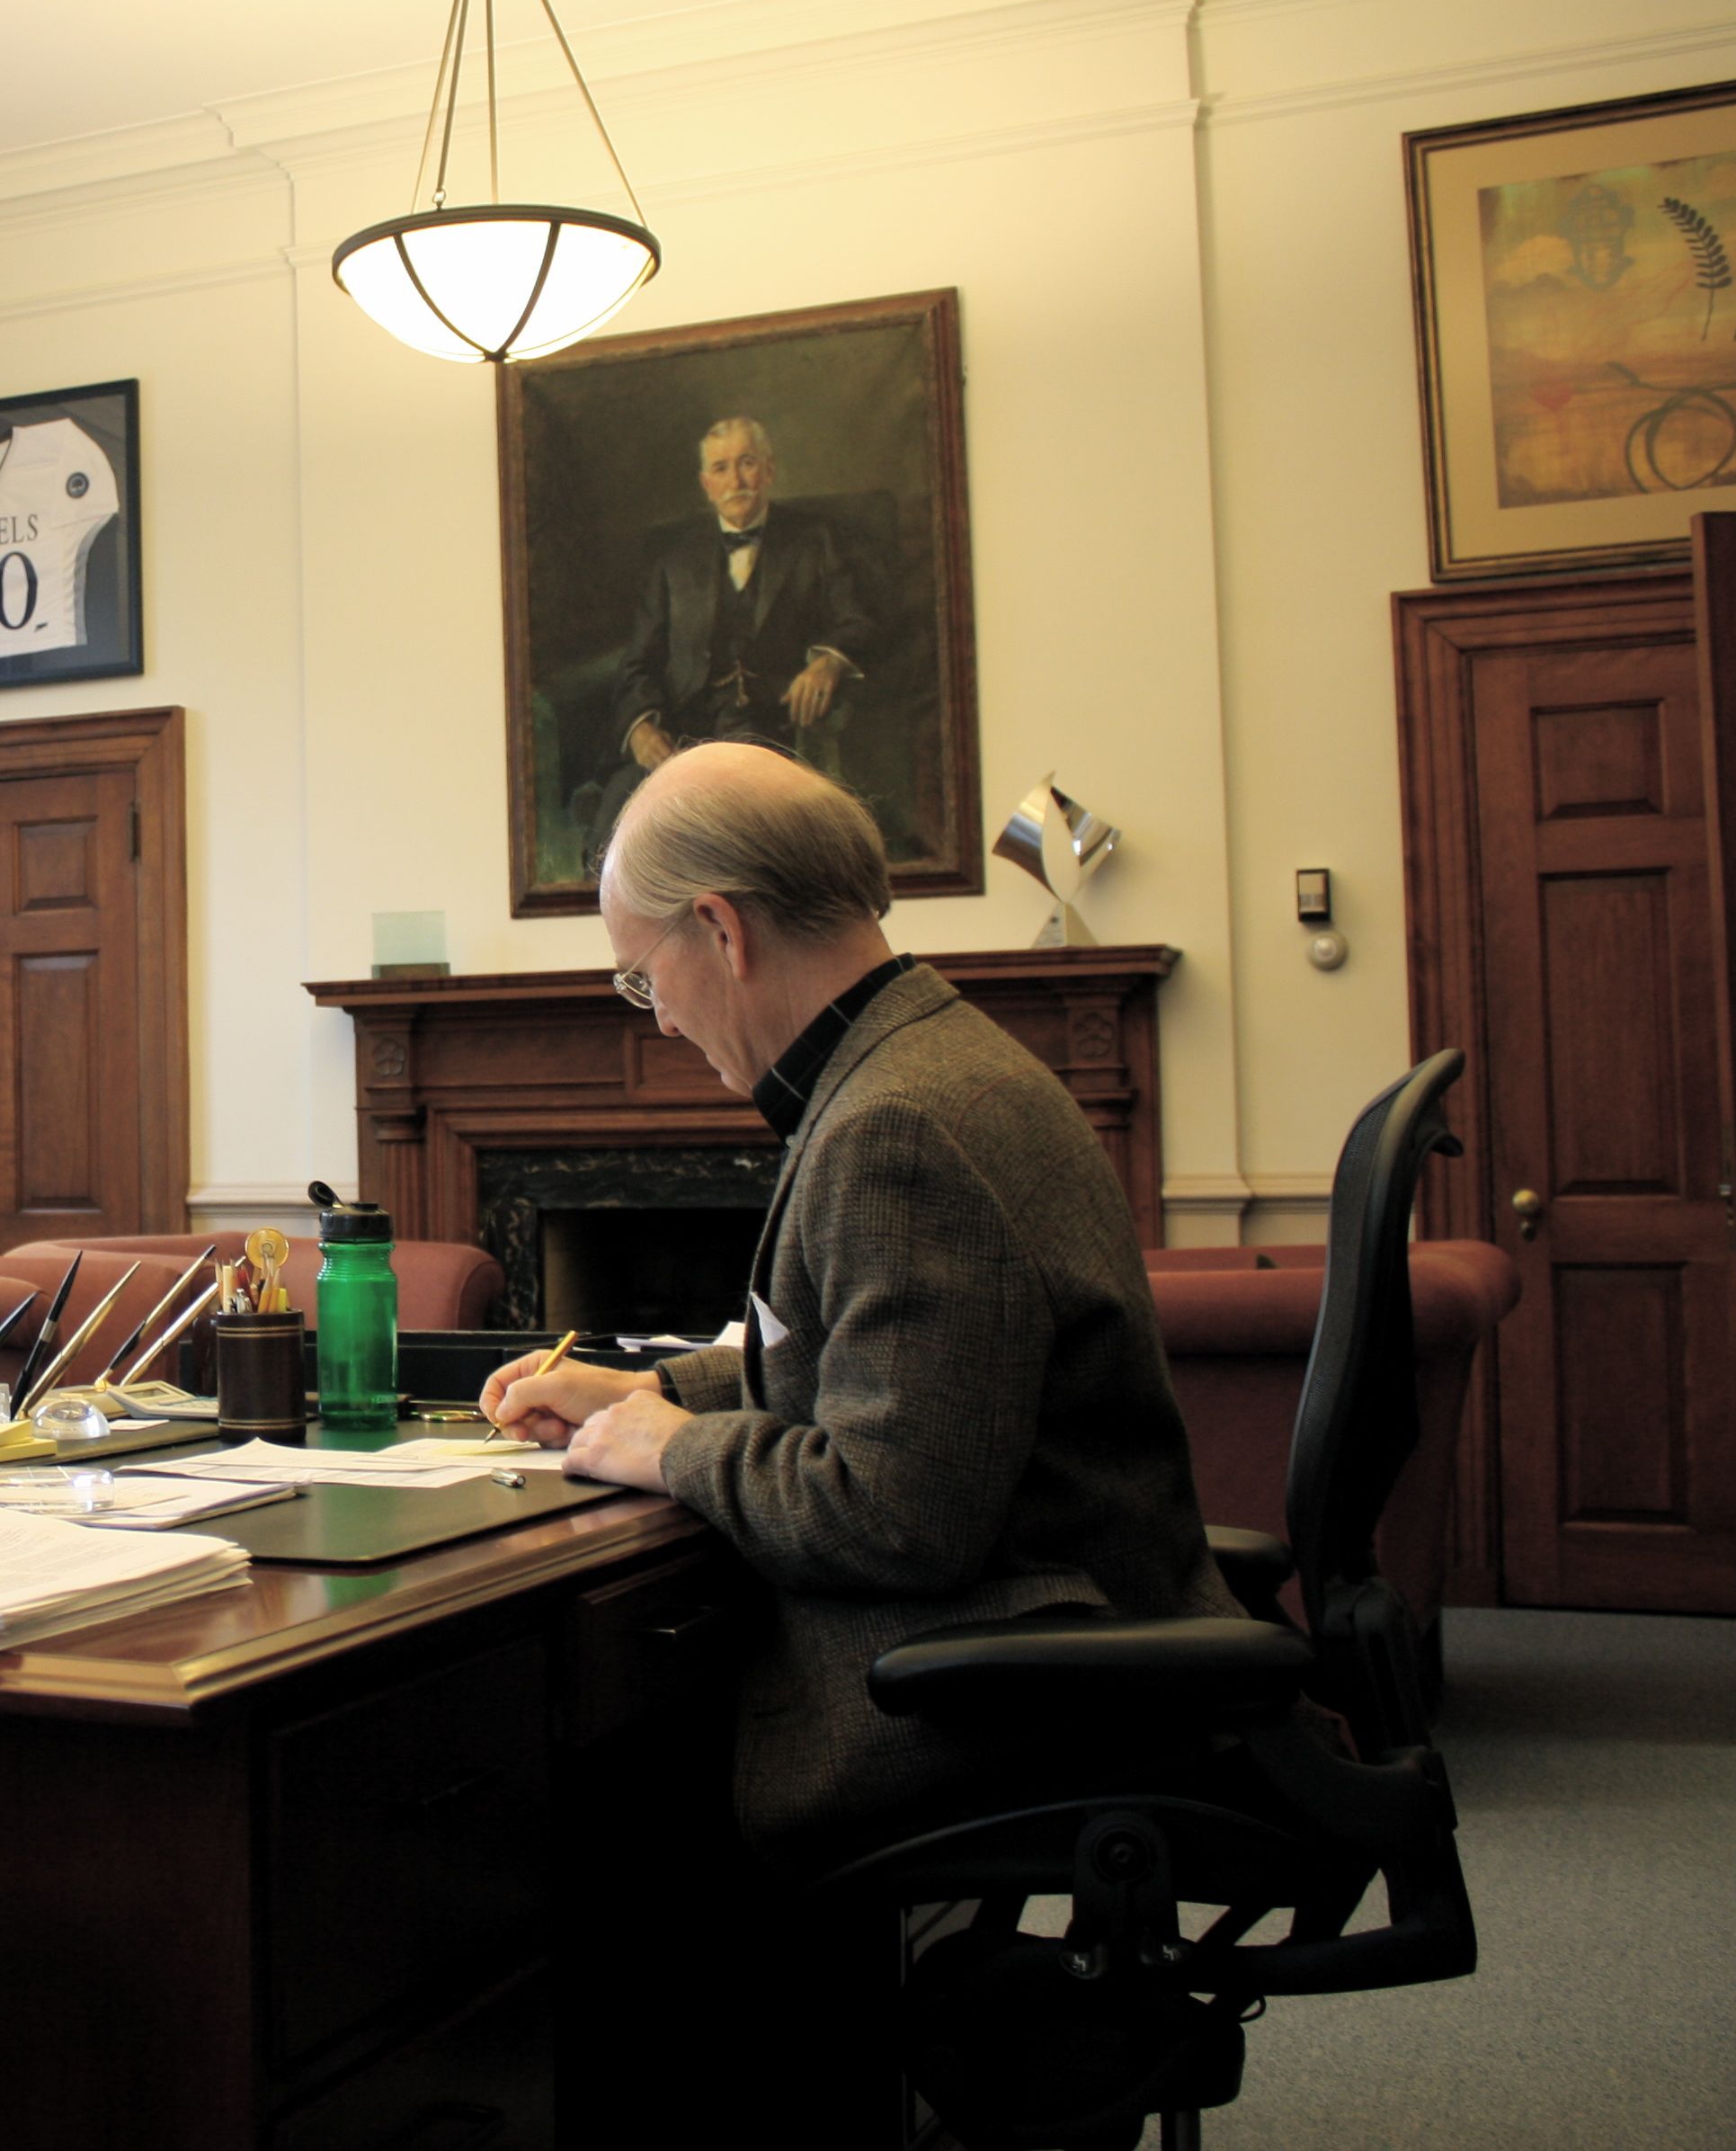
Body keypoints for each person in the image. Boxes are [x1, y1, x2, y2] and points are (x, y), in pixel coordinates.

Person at [485, 740, 1239, 1862]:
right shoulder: (929, 1060)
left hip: (999, 1681)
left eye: (644, 977)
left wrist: (675, 1448)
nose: (658, 1020)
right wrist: (645, 1389)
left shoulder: (896, 1129)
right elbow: (863, 1363)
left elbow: (889, 1517)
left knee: (577, 1786)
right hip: (1065, 1619)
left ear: (723, 930)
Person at [611, 417, 873, 772]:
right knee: (619, 812)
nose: (736, 482)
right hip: (687, 731)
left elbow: (857, 620)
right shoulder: (674, 560)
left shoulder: (817, 539)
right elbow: (637, 663)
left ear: (768, 471)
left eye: (747, 464)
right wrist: (641, 726)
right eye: (721, 469)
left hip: (780, 725)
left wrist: (829, 661)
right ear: (707, 484)